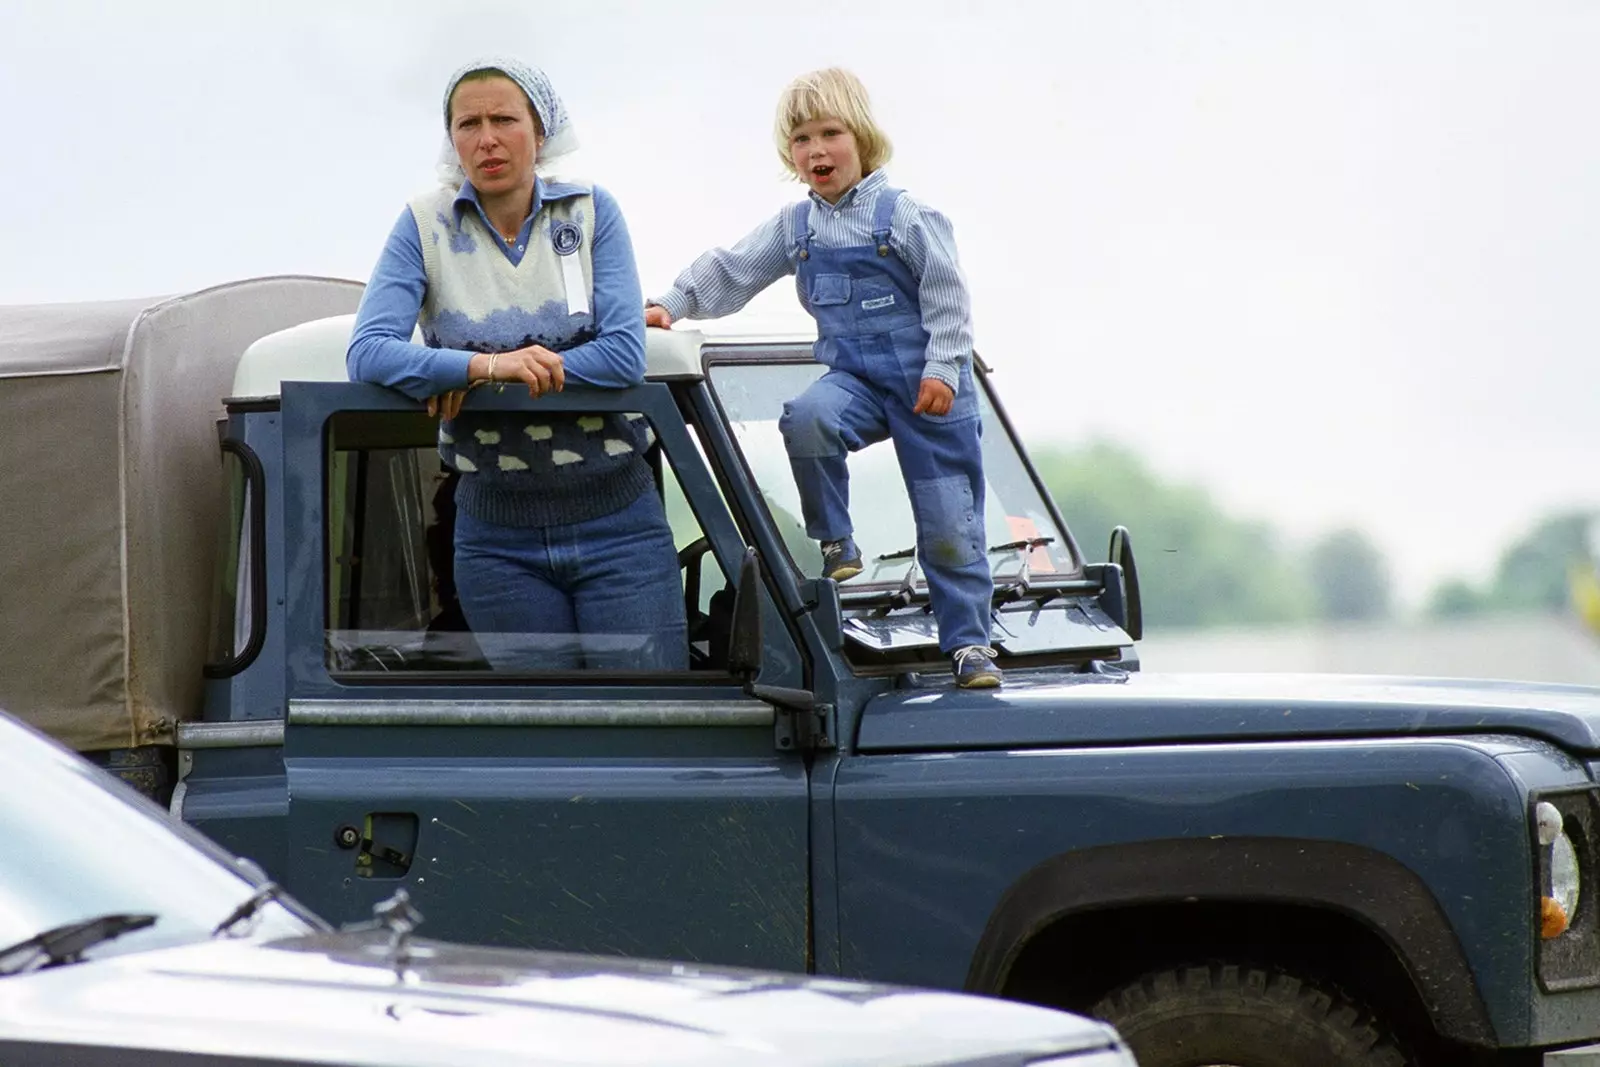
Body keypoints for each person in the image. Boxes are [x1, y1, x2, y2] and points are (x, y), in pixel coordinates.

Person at [645, 68, 1000, 689]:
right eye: (802, 139)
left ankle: (969, 646)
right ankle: (837, 543)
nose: (817, 150)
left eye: (830, 133)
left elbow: (949, 297)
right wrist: (673, 304)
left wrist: (944, 367)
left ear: (861, 138)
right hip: (859, 381)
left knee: (949, 522)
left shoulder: (907, 215)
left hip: (929, 387)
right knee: (807, 417)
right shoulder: (797, 227)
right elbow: (735, 269)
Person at [348, 57, 686, 671]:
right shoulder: (421, 225)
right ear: (450, 139)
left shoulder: (590, 212)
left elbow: (622, 356)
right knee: (544, 740)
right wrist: (483, 370)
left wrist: (448, 368)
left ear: (542, 129)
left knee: (651, 726)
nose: (486, 139)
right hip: (494, 540)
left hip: (622, 527)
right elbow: (367, 352)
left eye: (504, 119)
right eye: (467, 123)